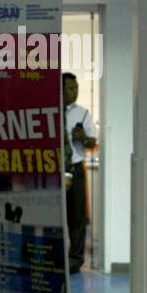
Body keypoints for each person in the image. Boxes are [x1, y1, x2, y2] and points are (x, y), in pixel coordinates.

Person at [62, 73, 97, 274]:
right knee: (57, 216)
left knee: (77, 217)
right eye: (70, 88)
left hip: (74, 169)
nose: (74, 92)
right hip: (53, 171)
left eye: (76, 88)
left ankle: (75, 261)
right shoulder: (49, 111)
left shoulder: (82, 113)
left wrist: (83, 138)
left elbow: (93, 142)